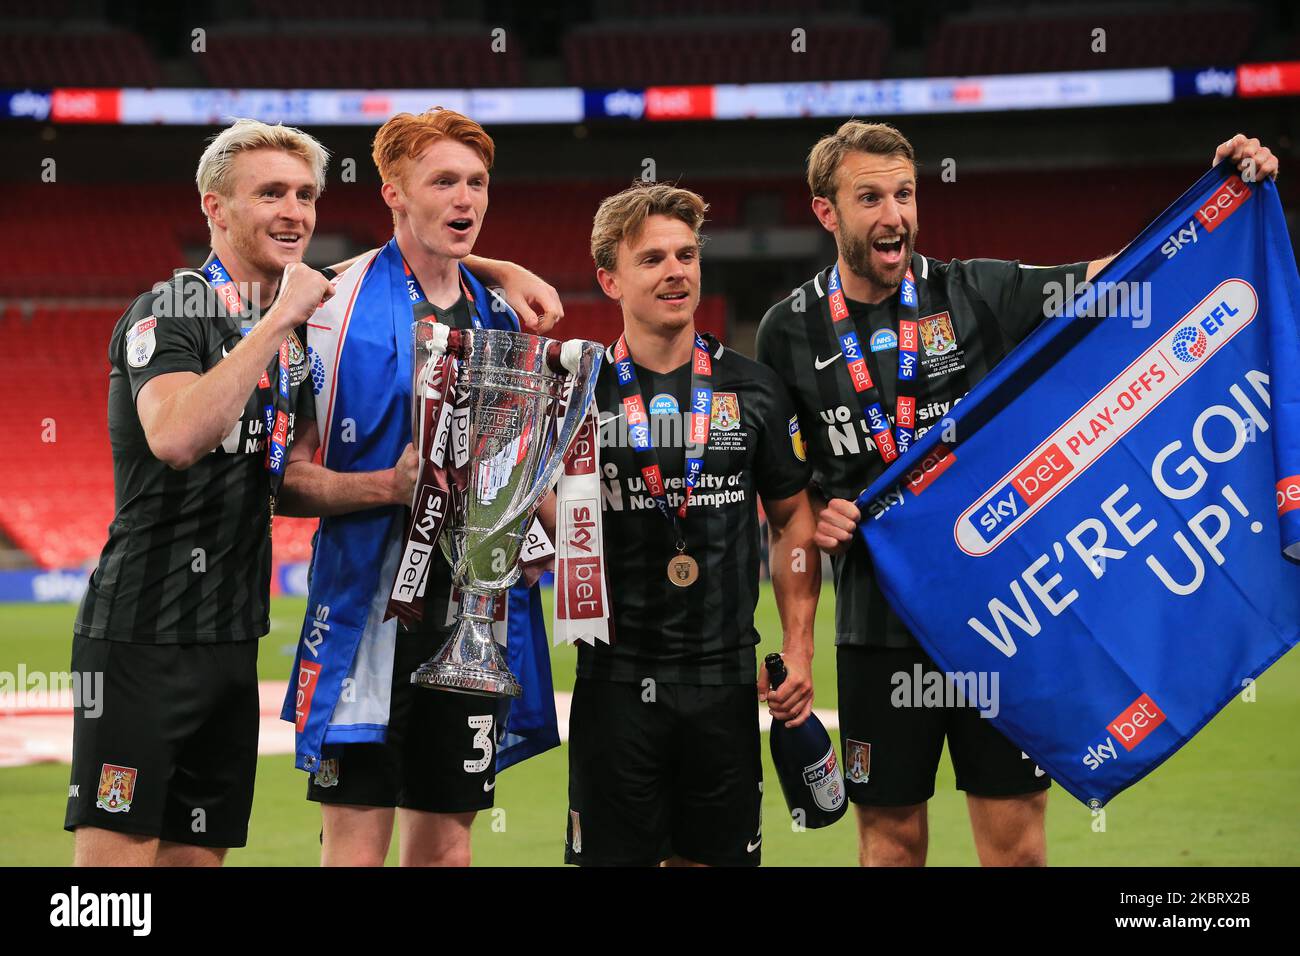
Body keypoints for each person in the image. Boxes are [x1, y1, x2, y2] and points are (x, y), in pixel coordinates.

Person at [755, 122, 1278, 867]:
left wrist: (1224, 196)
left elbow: (1118, 277)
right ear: (825, 212)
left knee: (1017, 853)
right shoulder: (788, 331)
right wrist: (806, 606)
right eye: (868, 197)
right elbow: (786, 503)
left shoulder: (975, 292)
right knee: (891, 852)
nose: (893, 215)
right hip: (877, 632)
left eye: (904, 194)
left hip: (1001, 623)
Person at [277, 107, 561, 867]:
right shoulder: (327, 310)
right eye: (443, 181)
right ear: (393, 192)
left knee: (446, 854)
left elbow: (526, 471)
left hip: (473, 618)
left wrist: (565, 532)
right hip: (367, 617)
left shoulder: (509, 316)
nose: (465, 198)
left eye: (476, 182)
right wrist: (388, 486)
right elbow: (285, 482)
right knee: (355, 851)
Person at [64, 118, 334, 866]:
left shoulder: (292, 341)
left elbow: (287, 481)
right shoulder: (172, 310)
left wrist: (396, 484)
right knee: (113, 880)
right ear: (215, 208)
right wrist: (280, 316)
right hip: (139, 640)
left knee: (195, 858)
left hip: (231, 640)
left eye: (306, 194)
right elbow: (177, 437)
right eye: (270, 193)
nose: (295, 211)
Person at [558, 182, 820, 867]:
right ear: (609, 279)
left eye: (685, 255)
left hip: (724, 680)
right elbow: (536, 516)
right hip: (614, 682)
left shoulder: (754, 388)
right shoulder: (577, 394)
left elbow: (794, 522)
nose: (676, 270)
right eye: (652, 259)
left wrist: (798, 647)